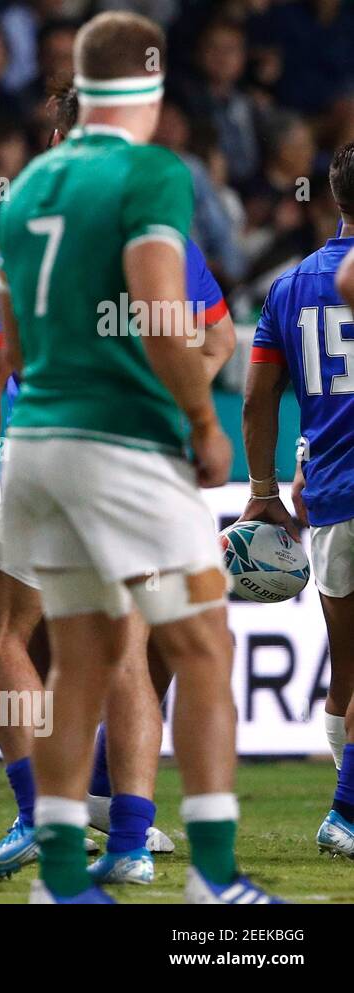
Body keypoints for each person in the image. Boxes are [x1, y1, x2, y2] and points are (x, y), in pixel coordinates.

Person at [0, 10, 275, 903]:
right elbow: (163, 313)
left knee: (83, 656)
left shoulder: (31, 184)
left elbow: (18, 346)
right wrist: (200, 418)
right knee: (202, 646)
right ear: (149, 88)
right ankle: (215, 879)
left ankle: (64, 878)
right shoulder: (152, 172)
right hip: (123, 442)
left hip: (35, 442)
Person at [0, 85, 236, 886]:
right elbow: (215, 336)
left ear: (56, 134)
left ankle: (39, 816)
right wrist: (184, 410)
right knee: (129, 648)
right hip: (144, 458)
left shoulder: (30, 226)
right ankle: (132, 839)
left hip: (54, 451)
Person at [253, 141, 354, 859]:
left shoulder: (289, 287)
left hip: (327, 498)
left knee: (344, 665)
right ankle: (345, 812)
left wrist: (266, 484)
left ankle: (348, 803)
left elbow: (259, 399)